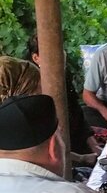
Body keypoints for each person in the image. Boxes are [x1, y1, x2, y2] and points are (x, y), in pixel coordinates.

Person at [26, 33, 101, 161]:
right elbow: (43, 146)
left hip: (77, 146)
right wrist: (81, 158)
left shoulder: (63, 78)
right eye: (51, 52)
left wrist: (95, 147)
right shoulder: (32, 90)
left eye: (61, 49)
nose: (60, 55)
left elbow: (78, 116)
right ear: (36, 58)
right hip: (57, 159)